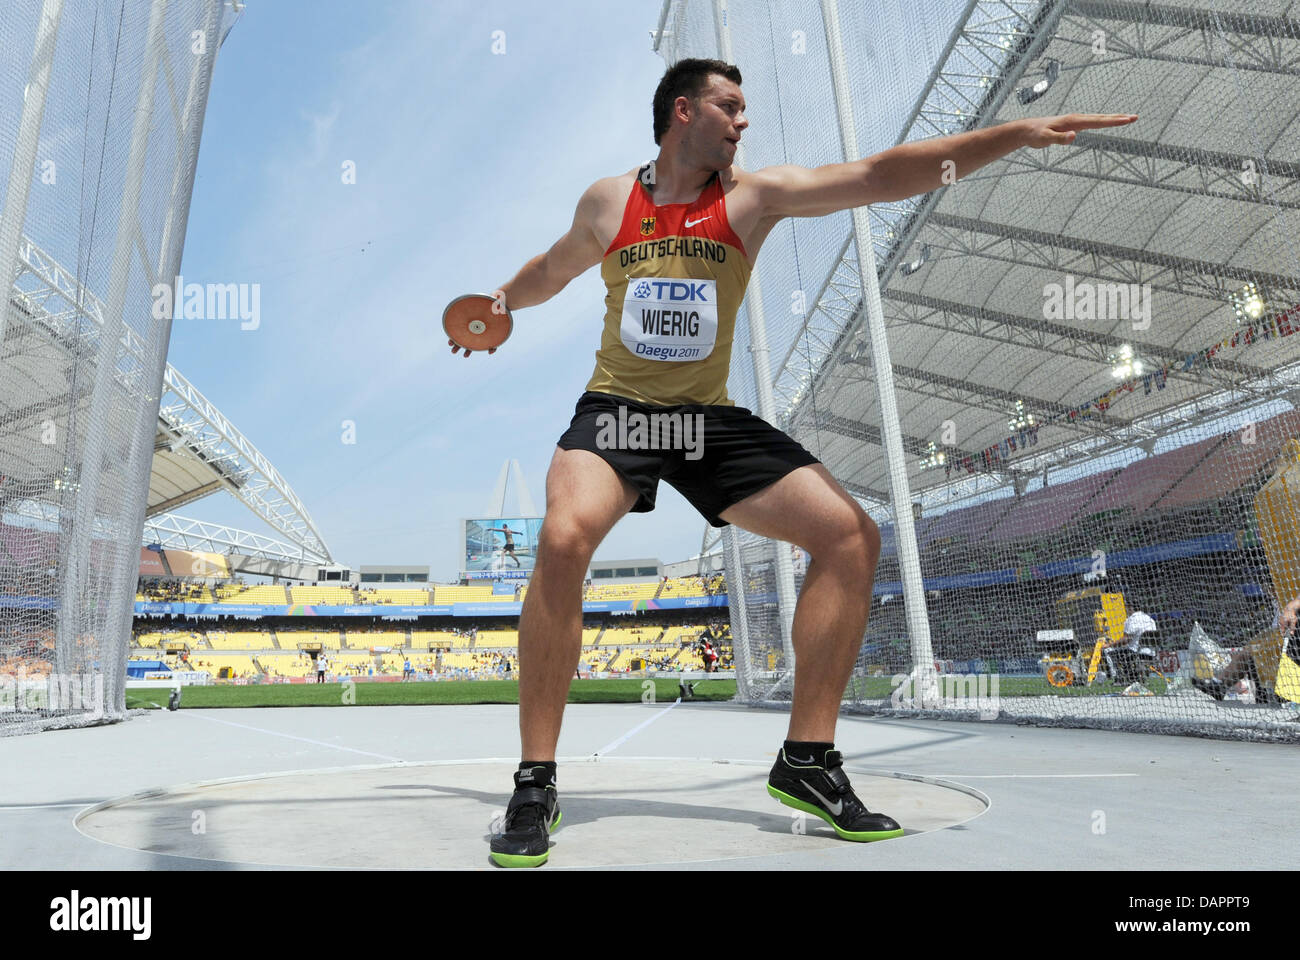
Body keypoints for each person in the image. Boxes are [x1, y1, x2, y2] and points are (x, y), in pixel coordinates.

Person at [464, 57, 1136, 868]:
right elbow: (554, 267)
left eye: (744, 110)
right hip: (620, 415)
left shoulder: (755, 195)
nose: (743, 122)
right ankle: (535, 783)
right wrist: (500, 303)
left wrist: (1013, 134)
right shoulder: (610, 201)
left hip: (707, 422)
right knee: (563, 540)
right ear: (683, 111)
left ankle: (807, 760)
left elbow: (879, 175)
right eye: (729, 106)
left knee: (851, 537)